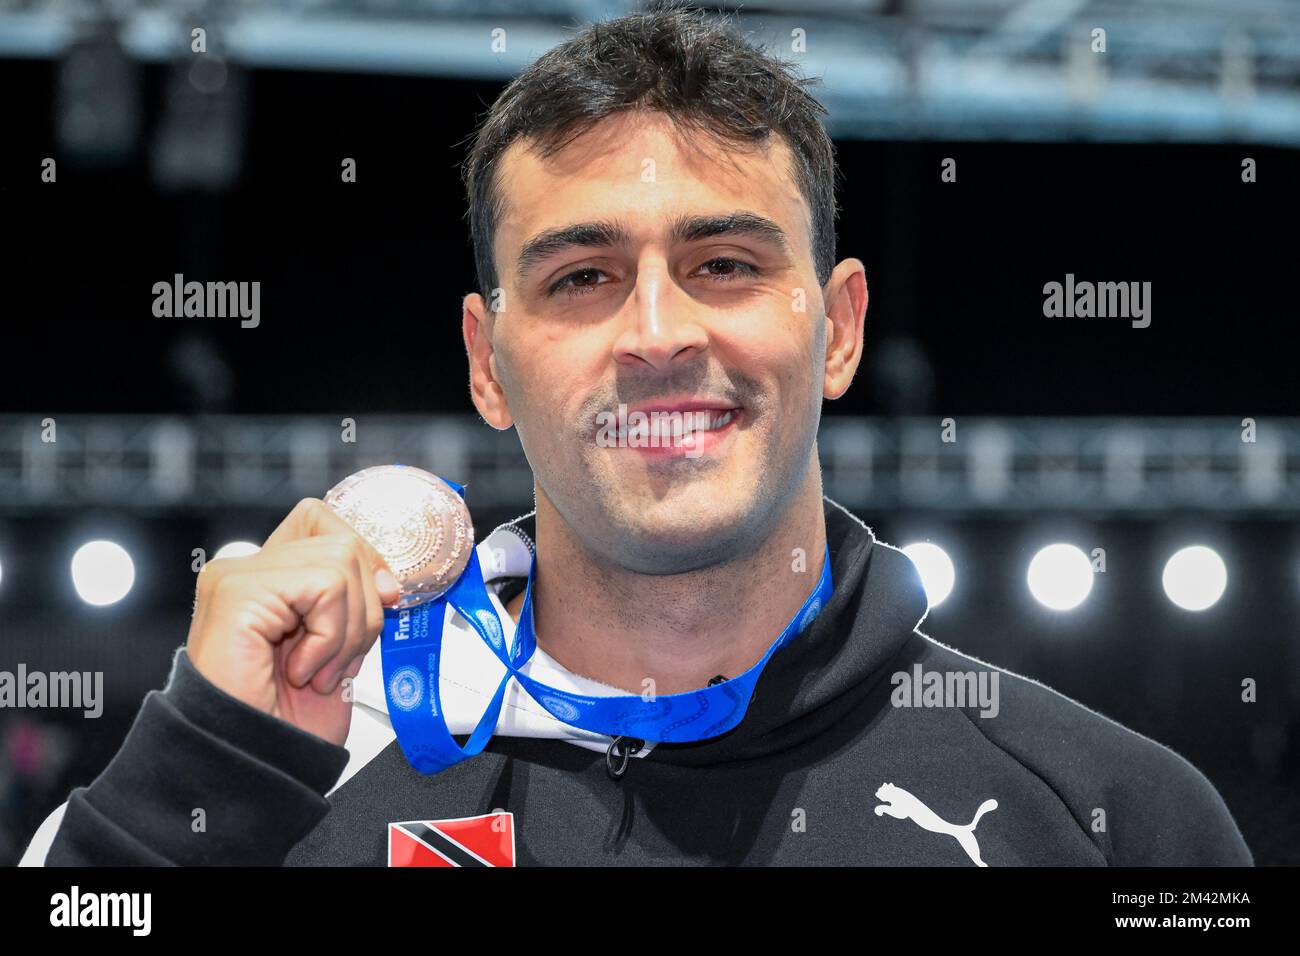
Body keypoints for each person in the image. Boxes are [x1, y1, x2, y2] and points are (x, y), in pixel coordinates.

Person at [22, 5, 1250, 867]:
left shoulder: (1111, 817)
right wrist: (194, 780)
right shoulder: (283, 772)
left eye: (722, 262)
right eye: (580, 278)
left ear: (837, 326)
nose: (657, 332)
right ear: (483, 361)